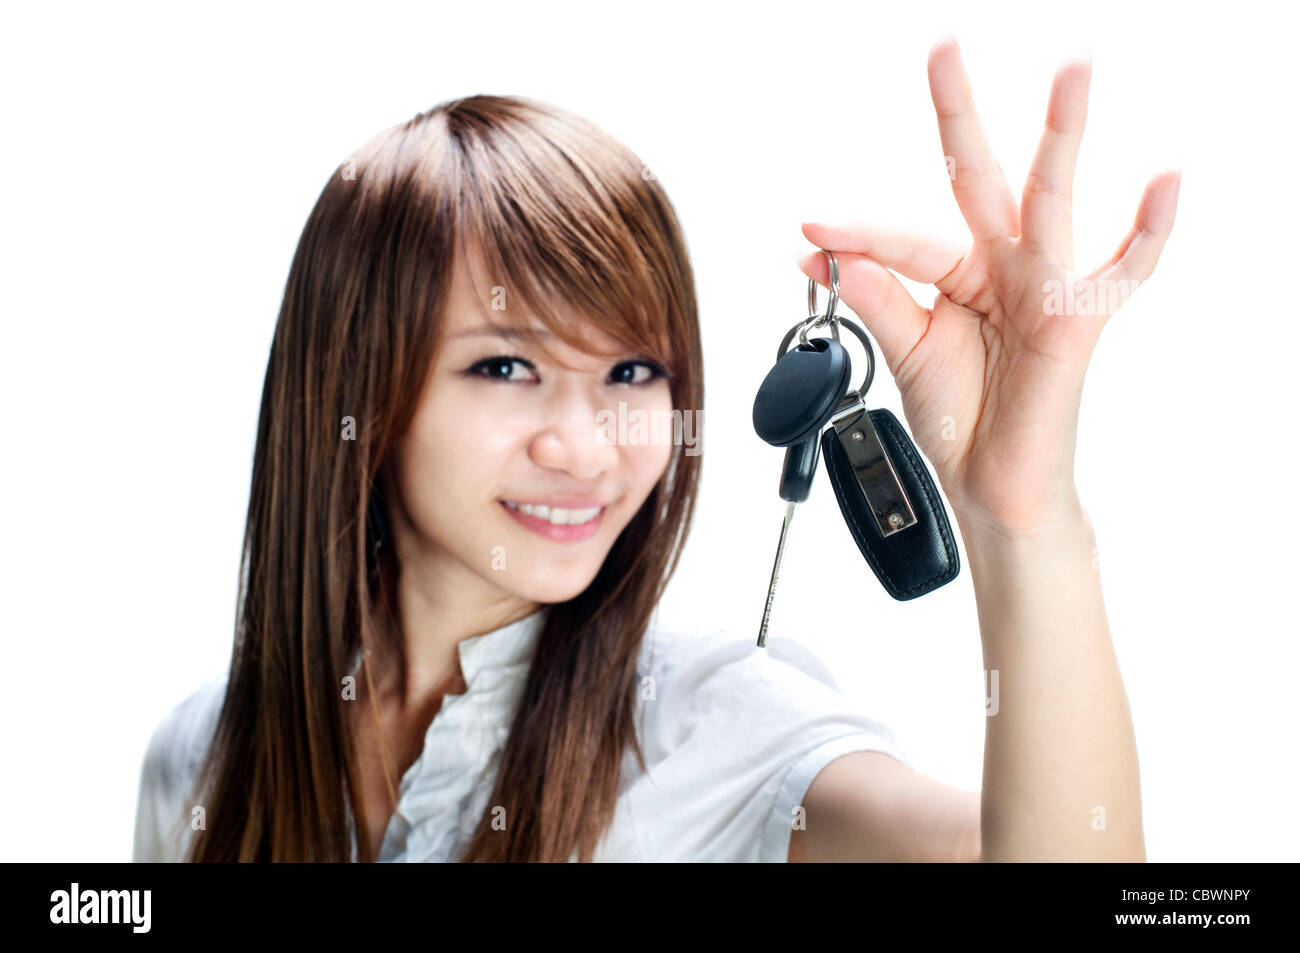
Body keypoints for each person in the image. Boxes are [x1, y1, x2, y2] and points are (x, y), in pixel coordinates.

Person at [132, 36, 1179, 863]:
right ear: (357, 383)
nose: (585, 446)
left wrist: (1023, 519)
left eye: (633, 373)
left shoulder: (717, 728)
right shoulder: (201, 753)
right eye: (504, 367)